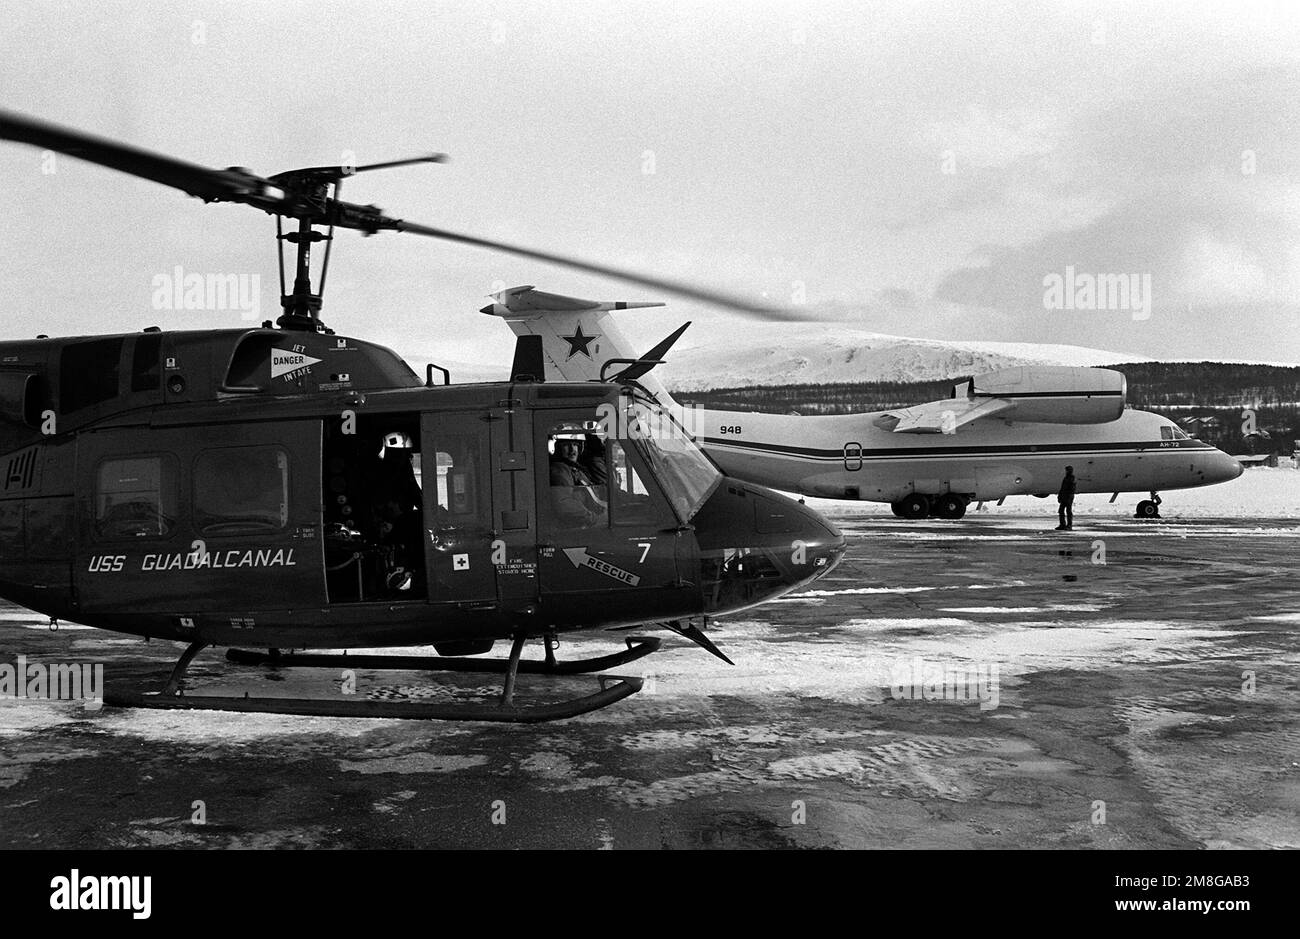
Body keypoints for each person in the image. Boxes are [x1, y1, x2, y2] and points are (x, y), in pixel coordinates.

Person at [549, 436, 607, 527]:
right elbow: (563, 503)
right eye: (566, 445)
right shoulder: (560, 470)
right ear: (557, 448)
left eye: (575, 444)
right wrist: (594, 519)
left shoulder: (575, 469)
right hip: (581, 527)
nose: (572, 450)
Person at [1056, 465, 1076, 530]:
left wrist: (1068, 496)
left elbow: (1071, 489)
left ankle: (1069, 525)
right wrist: (1060, 496)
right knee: (1061, 511)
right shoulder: (1066, 478)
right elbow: (1062, 488)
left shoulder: (1072, 478)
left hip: (1068, 497)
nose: (1066, 471)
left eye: (1067, 470)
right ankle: (1063, 524)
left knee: (1068, 511)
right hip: (1064, 496)